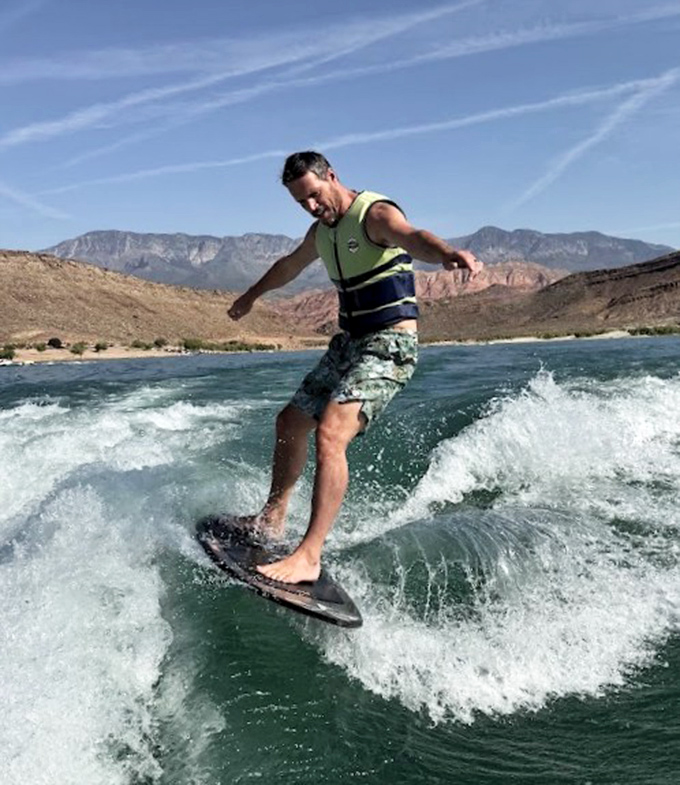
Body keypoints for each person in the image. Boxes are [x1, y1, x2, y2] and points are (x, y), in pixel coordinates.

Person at [228, 151, 482, 584]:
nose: (311, 207)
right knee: (290, 422)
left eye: (314, 195)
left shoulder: (375, 215)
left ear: (332, 176)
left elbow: (413, 236)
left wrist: (445, 254)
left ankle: (309, 555)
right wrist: (251, 296)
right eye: (301, 202)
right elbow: (287, 267)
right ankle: (272, 519)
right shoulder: (321, 233)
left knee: (330, 433)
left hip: (390, 345)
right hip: (348, 344)